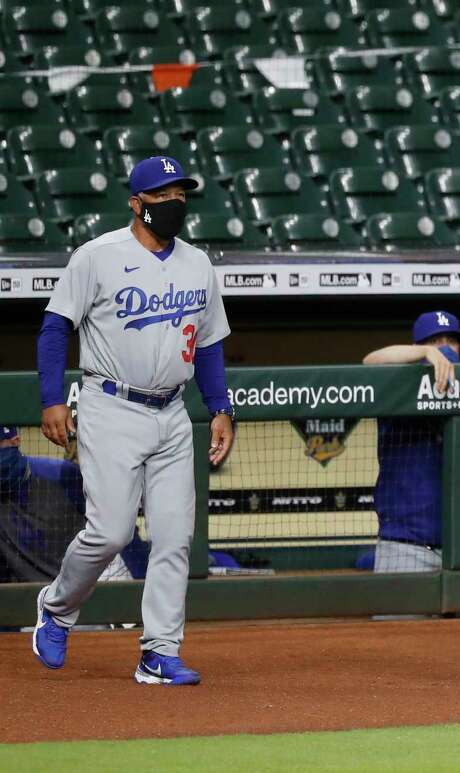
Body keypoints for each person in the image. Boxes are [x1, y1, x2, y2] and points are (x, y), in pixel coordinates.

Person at [33, 155, 235, 686]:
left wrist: (220, 408)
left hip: (173, 410)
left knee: (174, 537)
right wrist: (52, 398)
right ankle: (56, 608)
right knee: (110, 532)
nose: (175, 204)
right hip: (110, 404)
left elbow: (210, 344)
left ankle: (159, 652)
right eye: (164, 195)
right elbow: (55, 328)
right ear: (136, 202)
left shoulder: (198, 264)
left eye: (181, 195)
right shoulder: (97, 256)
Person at [361, 311, 460, 573]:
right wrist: (424, 355)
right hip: (404, 548)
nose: (445, 347)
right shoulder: (395, 390)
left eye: (451, 340)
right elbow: (370, 361)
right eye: (435, 341)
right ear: (417, 346)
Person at [1, 425, 148, 583]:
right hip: (37, 593)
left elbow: (120, 526)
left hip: (95, 580)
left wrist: (143, 580)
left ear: (15, 442)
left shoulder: (61, 475)